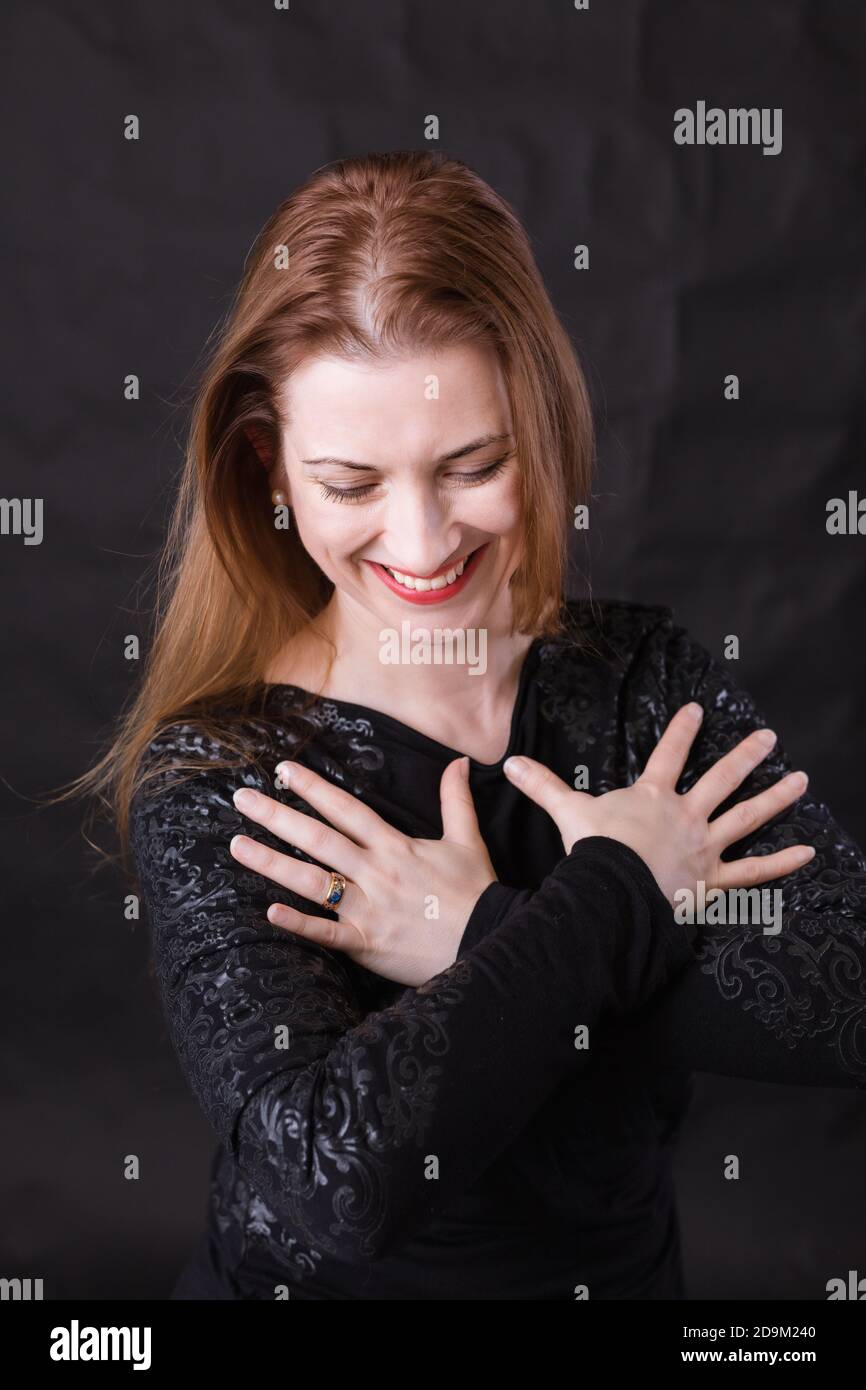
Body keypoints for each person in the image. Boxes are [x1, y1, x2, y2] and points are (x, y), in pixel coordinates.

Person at [91, 151, 866, 1299]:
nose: (419, 544)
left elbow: (844, 996)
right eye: (351, 484)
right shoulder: (226, 774)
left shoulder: (635, 683)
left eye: (473, 465)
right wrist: (611, 892)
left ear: (538, 426)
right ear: (267, 469)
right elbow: (335, 1177)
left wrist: (482, 929)